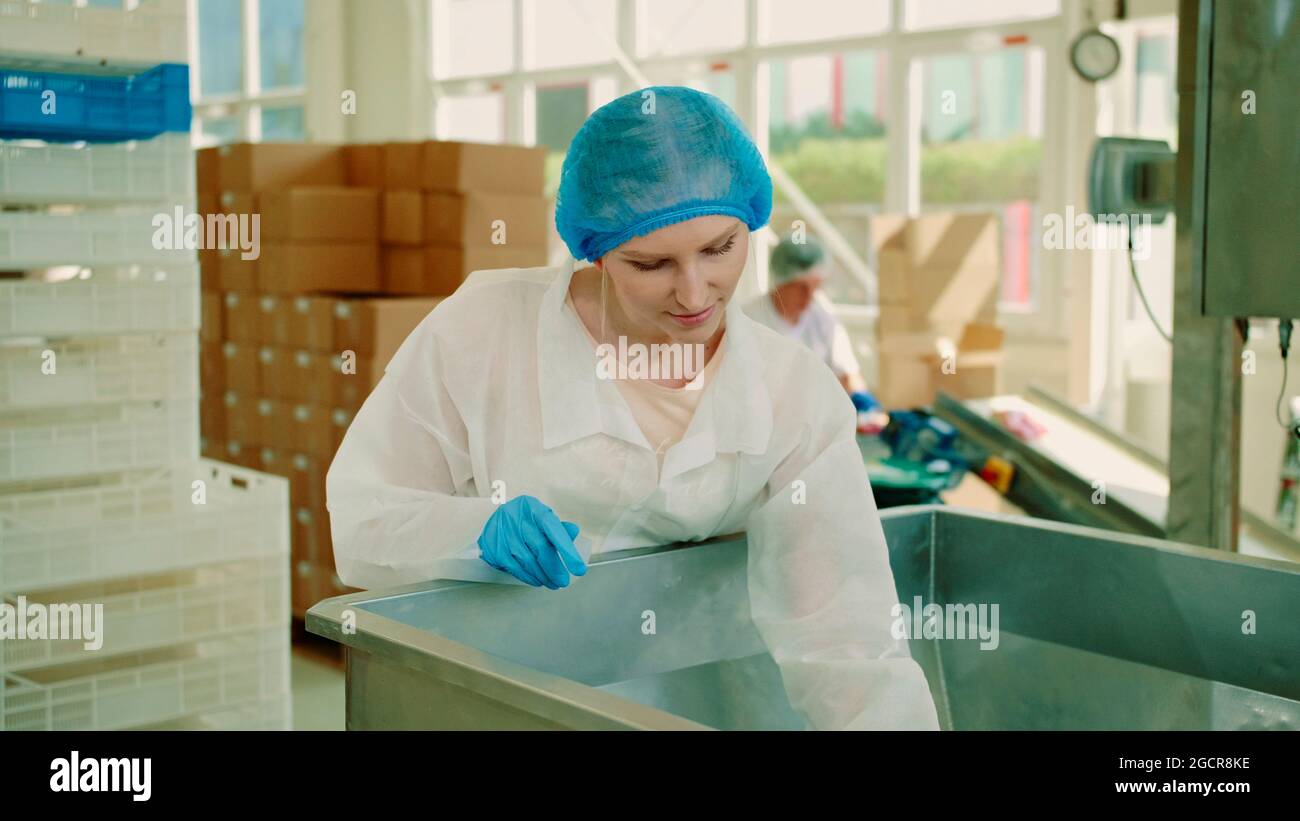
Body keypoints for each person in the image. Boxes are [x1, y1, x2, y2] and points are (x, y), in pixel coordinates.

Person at [326, 85, 939, 731]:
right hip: (497, 702)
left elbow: (845, 632)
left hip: (697, 704)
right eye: (651, 263)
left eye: (720, 248)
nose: (696, 292)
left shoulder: (793, 393)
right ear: (595, 249)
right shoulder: (486, 331)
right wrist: (472, 532)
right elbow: (364, 518)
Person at [743, 235, 887, 428]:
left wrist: (866, 406)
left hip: (813, 427)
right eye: (802, 287)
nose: (809, 295)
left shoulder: (824, 321)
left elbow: (847, 375)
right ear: (781, 282)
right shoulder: (747, 319)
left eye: (816, 286)